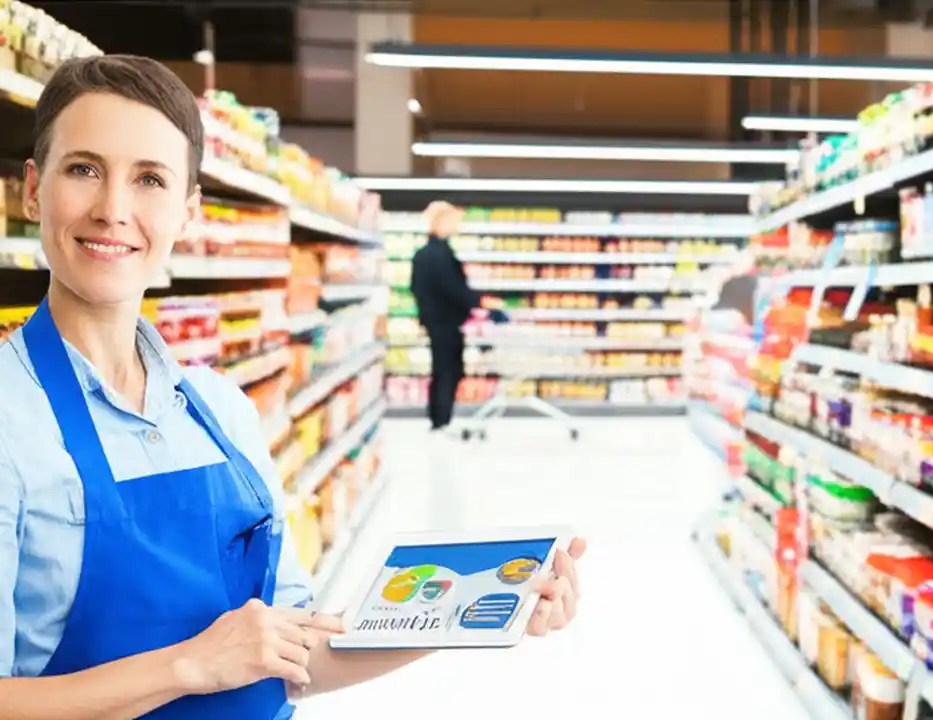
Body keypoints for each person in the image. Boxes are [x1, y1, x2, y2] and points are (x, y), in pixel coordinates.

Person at [0, 55, 584, 720]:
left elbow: (288, 655)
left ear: (188, 212)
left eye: (150, 179)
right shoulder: (10, 419)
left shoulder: (220, 410)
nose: (113, 209)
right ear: (33, 190)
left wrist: (474, 609)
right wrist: (188, 666)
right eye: (83, 169)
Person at [409, 201, 506, 431]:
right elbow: (452, 289)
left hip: (437, 321)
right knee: (448, 370)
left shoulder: (425, 253)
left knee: (443, 369)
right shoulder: (439, 254)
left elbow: (418, 288)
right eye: (453, 220)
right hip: (445, 322)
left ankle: (439, 419)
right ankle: (441, 421)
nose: (457, 225)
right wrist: (480, 302)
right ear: (441, 221)